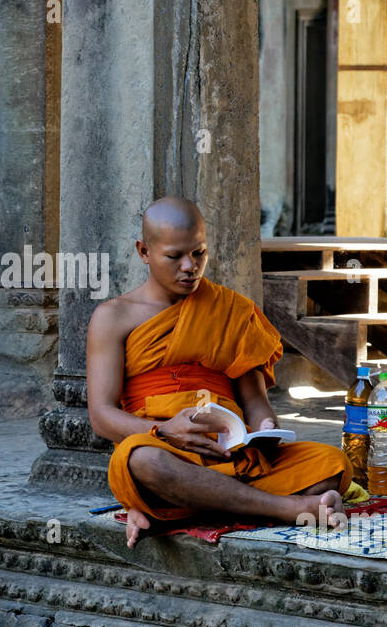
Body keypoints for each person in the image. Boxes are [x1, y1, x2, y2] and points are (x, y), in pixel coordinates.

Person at [86, 196, 350, 548]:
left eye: (199, 253)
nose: (190, 267)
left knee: (331, 464)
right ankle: (286, 508)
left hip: (232, 454)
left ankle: (189, 504)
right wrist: (164, 430)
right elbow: (101, 416)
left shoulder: (231, 311)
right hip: (167, 450)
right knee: (141, 461)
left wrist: (265, 428)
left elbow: (254, 399)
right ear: (144, 252)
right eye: (174, 256)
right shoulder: (113, 316)